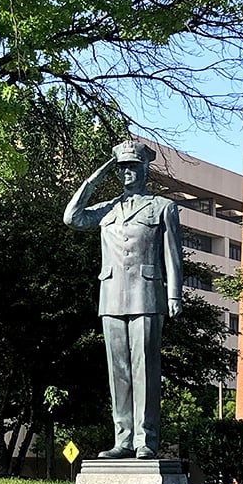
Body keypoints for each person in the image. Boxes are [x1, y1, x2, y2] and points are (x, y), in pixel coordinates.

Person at [64, 140, 183, 459]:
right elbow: (72, 218)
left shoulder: (162, 207)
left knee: (146, 368)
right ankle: (124, 439)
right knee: (118, 371)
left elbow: (173, 255)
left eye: (132, 166)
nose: (126, 172)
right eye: (121, 168)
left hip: (147, 294)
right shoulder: (107, 209)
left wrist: (174, 293)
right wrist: (95, 178)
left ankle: (146, 439)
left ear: (144, 169)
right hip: (112, 295)